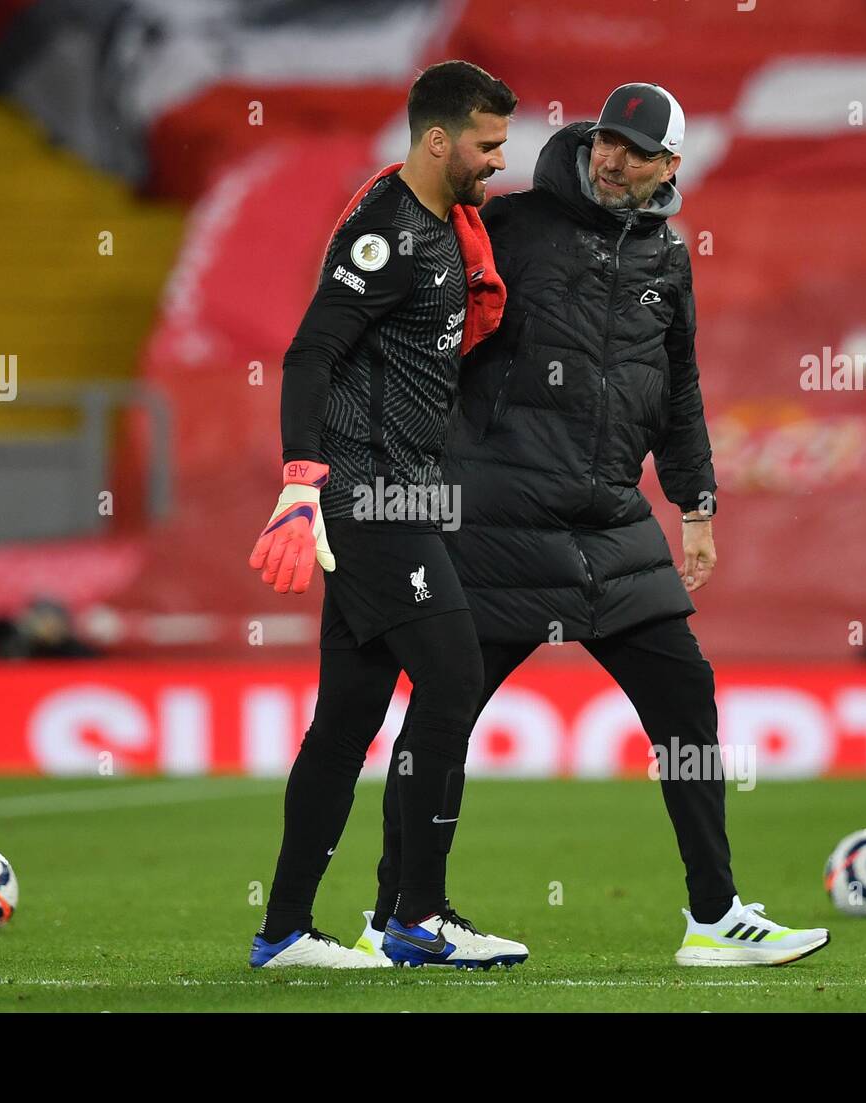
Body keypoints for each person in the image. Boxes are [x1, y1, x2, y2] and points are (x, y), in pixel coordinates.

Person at [354, 83, 829, 967]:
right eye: (608, 141)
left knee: (685, 698)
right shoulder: (510, 225)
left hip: (609, 522)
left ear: (670, 168)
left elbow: (678, 389)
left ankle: (715, 916)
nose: (615, 160)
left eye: (637, 152)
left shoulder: (667, 258)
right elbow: (414, 327)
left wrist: (696, 505)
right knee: (444, 712)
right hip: (496, 516)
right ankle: (400, 915)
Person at [245, 61, 529, 969]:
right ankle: (416, 915)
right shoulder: (387, 234)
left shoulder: (451, 228)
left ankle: (285, 930)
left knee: (349, 716)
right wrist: (300, 485)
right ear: (438, 140)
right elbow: (307, 354)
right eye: (487, 144)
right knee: (452, 680)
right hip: (368, 494)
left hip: (404, 489)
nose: (497, 159)